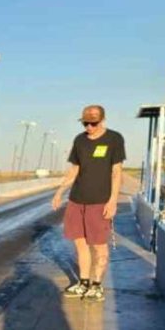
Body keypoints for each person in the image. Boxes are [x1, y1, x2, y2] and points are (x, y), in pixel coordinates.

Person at [51, 105, 125, 302]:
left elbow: (117, 172)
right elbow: (74, 169)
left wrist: (113, 201)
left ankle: (97, 285)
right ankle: (83, 282)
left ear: (102, 120)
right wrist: (60, 192)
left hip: (99, 201)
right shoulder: (80, 140)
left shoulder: (114, 139)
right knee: (80, 244)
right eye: (86, 123)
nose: (89, 127)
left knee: (99, 245)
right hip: (77, 200)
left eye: (93, 123)